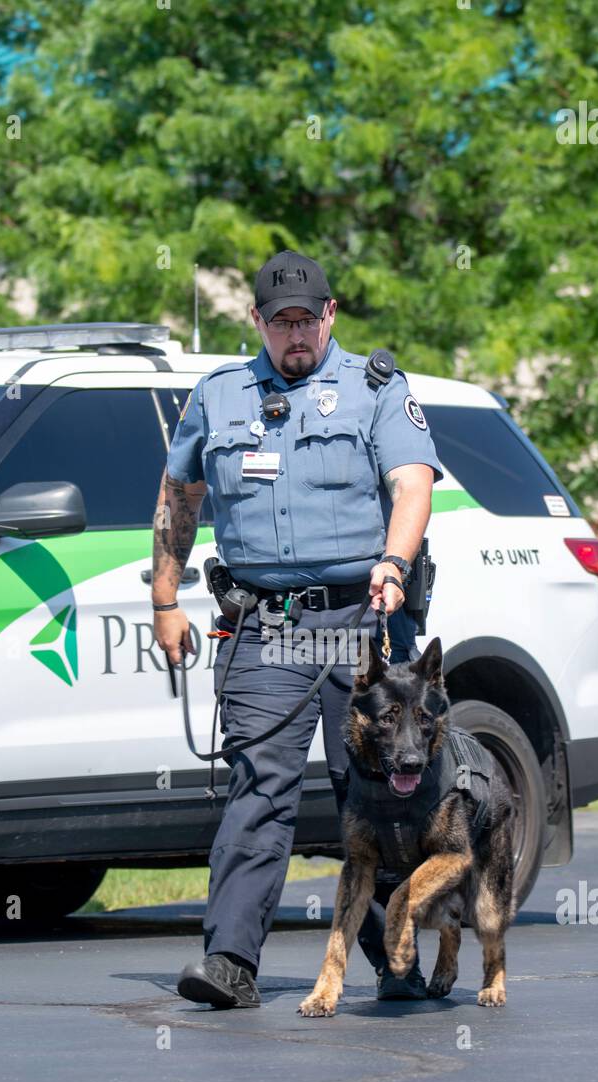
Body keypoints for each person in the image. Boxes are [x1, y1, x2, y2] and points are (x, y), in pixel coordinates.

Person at [152, 249, 443, 1008]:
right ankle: (229, 964)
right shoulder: (217, 397)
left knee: (376, 789)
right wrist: (163, 597)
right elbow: (180, 493)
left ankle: (397, 961)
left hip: (360, 621)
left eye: (307, 321)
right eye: (280, 324)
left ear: (330, 315)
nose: (296, 337)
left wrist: (393, 563)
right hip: (265, 623)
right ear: (257, 321)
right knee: (260, 786)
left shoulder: (375, 389)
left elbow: (412, 483)